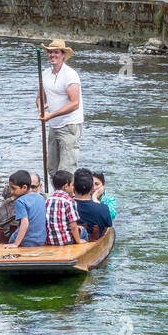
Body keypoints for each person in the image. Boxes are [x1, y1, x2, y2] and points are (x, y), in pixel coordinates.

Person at [37, 39, 83, 170]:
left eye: (56, 52)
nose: (52, 55)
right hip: (53, 125)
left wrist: (51, 114)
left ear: (63, 55)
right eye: (50, 52)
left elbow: (75, 103)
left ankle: (68, 191)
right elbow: (40, 97)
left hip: (69, 125)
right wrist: (40, 108)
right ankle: (56, 191)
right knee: (52, 168)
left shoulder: (70, 75)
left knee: (66, 169)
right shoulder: (45, 74)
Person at [4, 169, 47, 248]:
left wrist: (15, 244)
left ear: (24, 187)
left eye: (13, 188)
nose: (11, 192)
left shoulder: (20, 202)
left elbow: (25, 223)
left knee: (10, 239)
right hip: (41, 240)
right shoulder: (41, 198)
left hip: (26, 241)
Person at [71, 168, 112, 241]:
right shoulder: (103, 208)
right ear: (92, 187)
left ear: (73, 187)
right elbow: (107, 230)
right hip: (95, 245)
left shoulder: (65, 207)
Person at [45, 169, 82, 246]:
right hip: (65, 241)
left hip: (49, 241)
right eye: (72, 185)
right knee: (83, 231)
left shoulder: (48, 200)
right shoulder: (69, 201)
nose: (73, 187)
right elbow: (73, 226)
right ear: (66, 186)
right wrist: (79, 241)